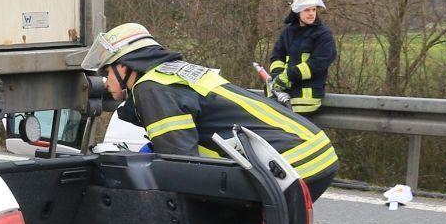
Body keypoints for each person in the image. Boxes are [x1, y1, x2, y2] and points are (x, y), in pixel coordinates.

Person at [80, 22, 339, 198]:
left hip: (294, 165)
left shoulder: (151, 88)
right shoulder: (172, 74)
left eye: (107, 71)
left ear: (125, 66)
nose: (106, 81)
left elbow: (181, 165)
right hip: (311, 151)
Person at [267, 0, 338, 114]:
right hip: (280, 99)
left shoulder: (323, 34)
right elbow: (276, 57)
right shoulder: (287, 32)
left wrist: (288, 76)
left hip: (305, 101)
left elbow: (318, 63)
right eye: (307, 10)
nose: (311, 13)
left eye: (314, 9)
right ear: (297, 11)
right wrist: (277, 76)